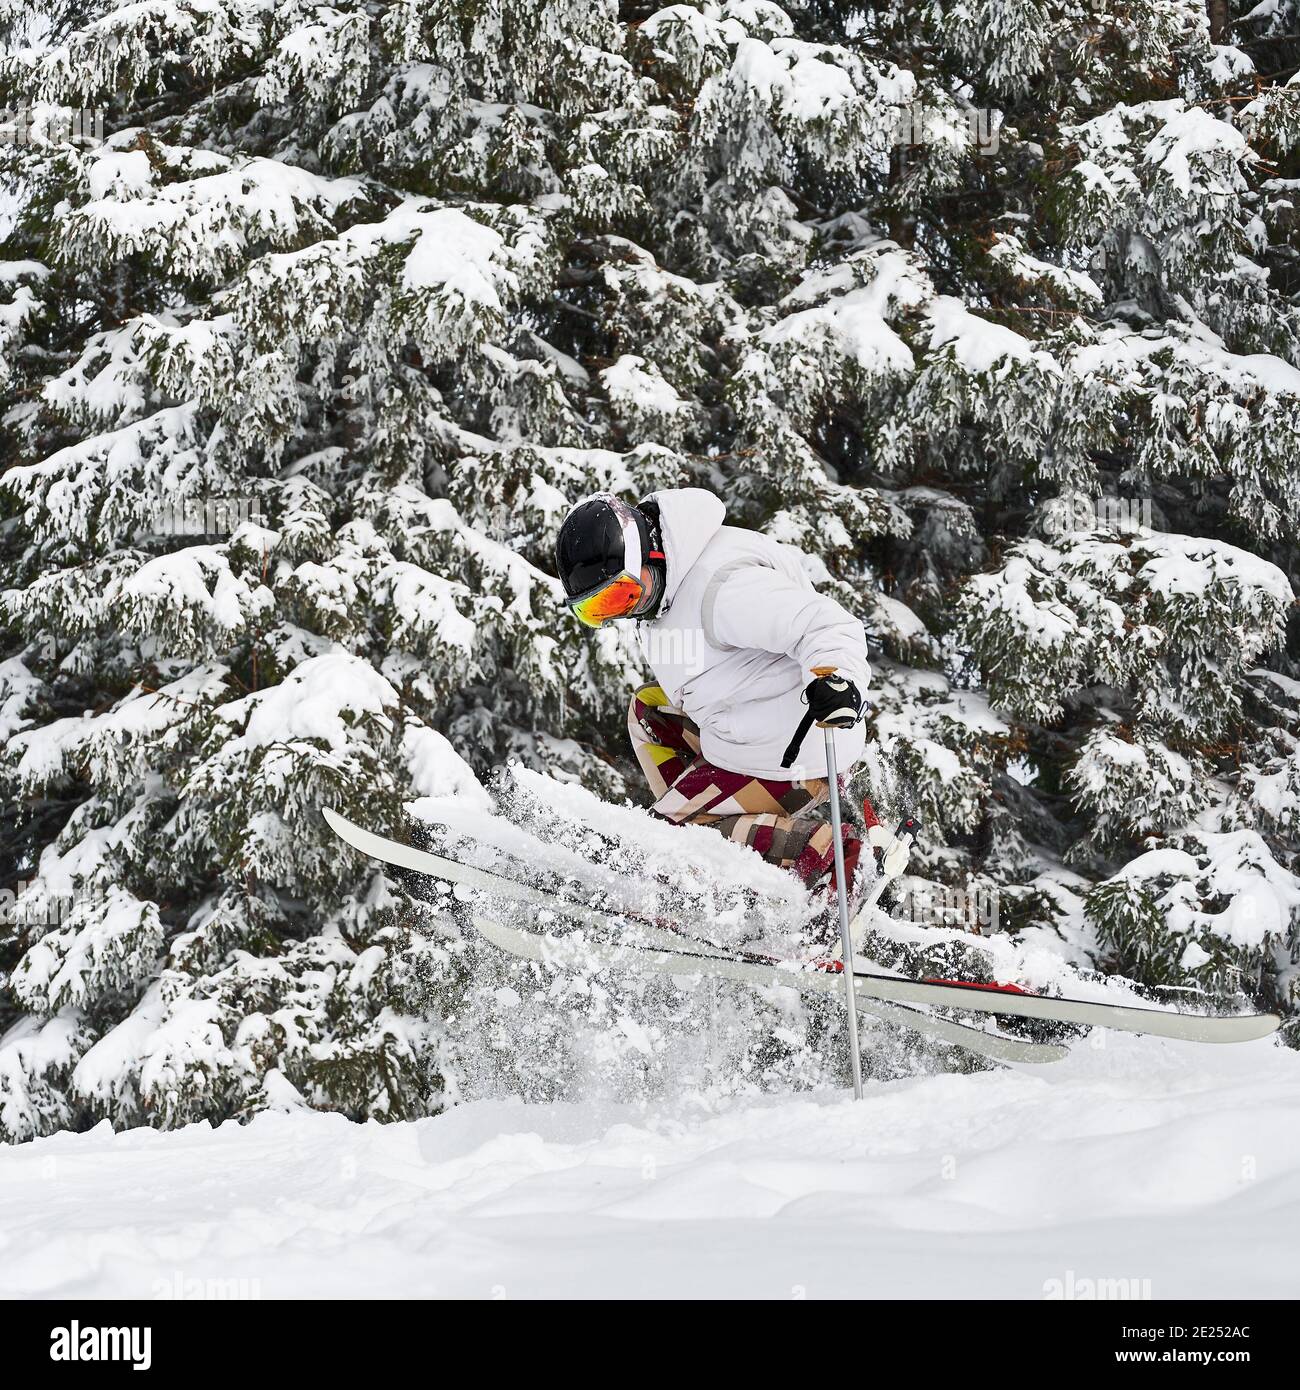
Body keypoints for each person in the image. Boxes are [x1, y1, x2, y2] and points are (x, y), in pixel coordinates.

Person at [555, 486, 880, 905]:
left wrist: (835, 676)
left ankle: (830, 855)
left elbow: (825, 625)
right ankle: (710, 859)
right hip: (747, 732)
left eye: (621, 595)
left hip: (796, 751)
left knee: (669, 836)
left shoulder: (722, 588)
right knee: (648, 711)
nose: (622, 612)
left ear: (649, 555)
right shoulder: (664, 593)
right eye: (598, 610)